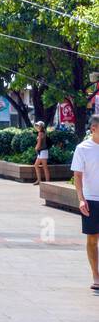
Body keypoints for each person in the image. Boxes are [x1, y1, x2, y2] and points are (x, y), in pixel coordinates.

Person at [69, 116, 99, 292]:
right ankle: (96, 276)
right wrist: (81, 198)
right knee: (92, 239)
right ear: (94, 128)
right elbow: (77, 176)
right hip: (91, 199)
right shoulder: (83, 148)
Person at [32, 121, 50, 186]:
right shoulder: (44, 132)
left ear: (41, 126)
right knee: (36, 165)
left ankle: (47, 182)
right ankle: (39, 180)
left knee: (44, 167)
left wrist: (36, 148)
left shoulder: (40, 133)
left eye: (38, 125)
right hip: (42, 151)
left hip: (42, 151)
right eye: (37, 125)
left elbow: (39, 144)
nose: (37, 127)